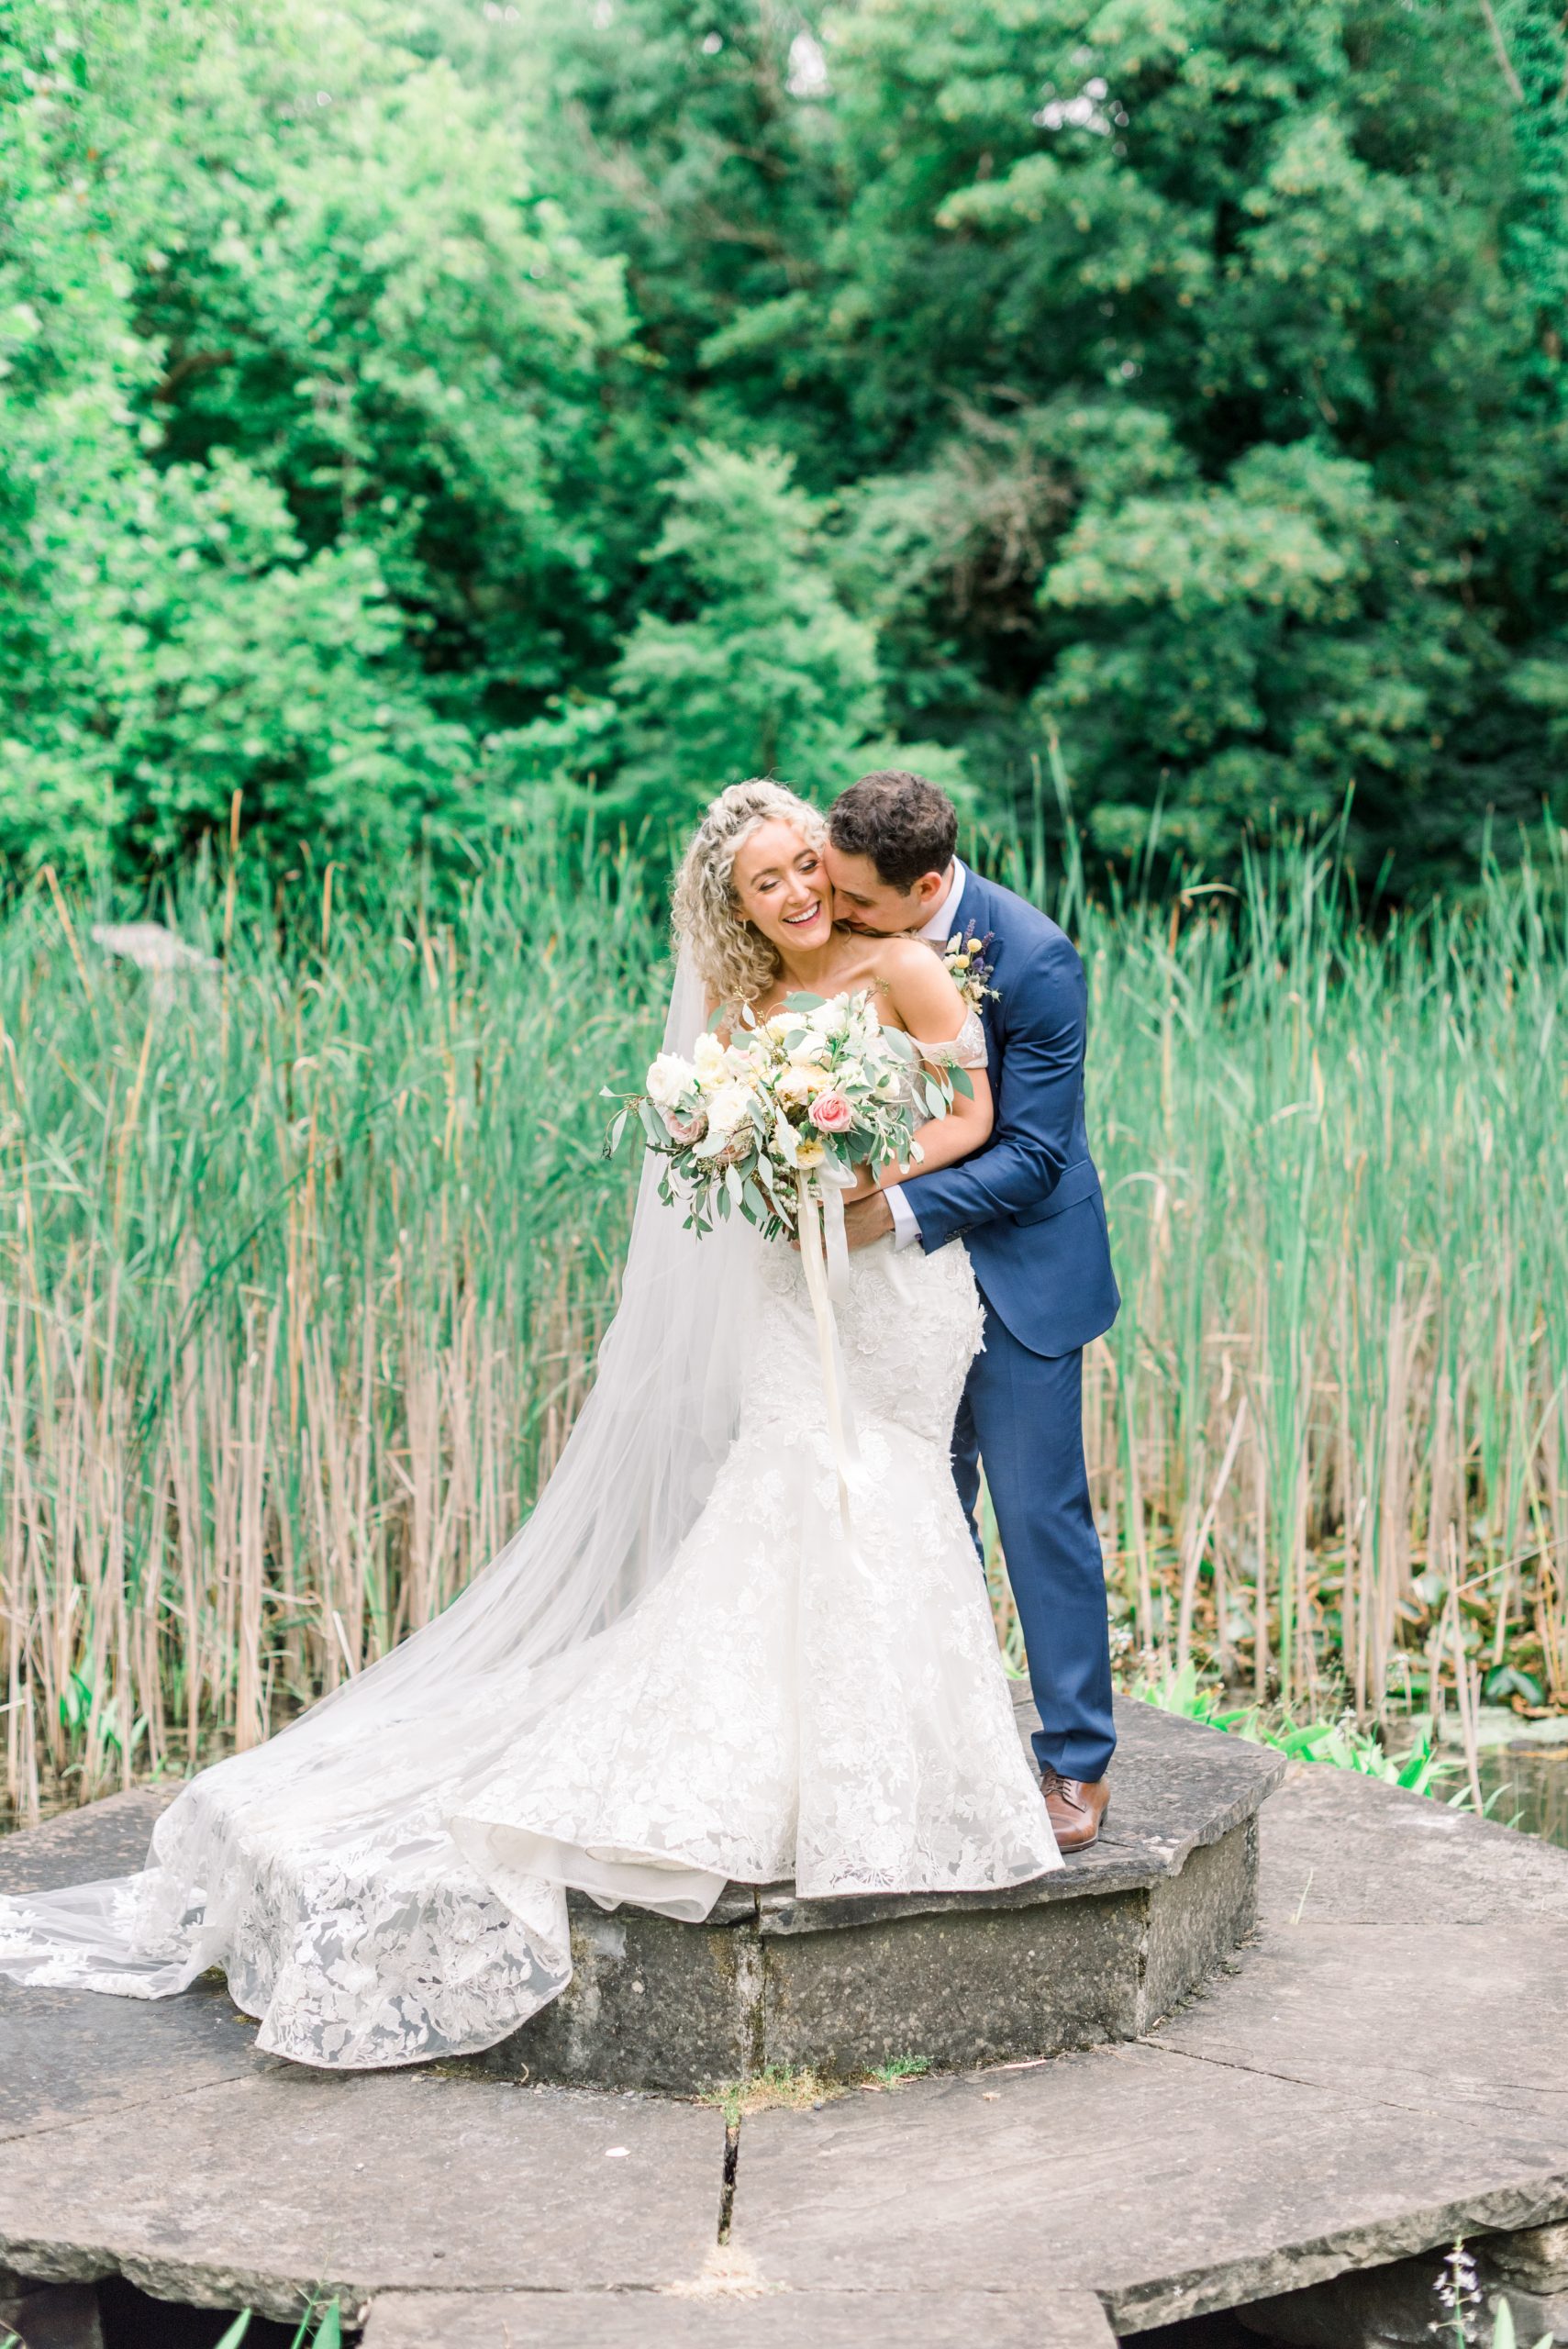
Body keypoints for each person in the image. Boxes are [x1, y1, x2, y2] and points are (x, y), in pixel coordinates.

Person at [0, 781, 1057, 2071]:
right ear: (734, 908)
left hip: (898, 1285)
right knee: (787, 1476)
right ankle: (774, 1763)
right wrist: (769, 1159)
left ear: (831, 866)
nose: (792, 895)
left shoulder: (903, 968)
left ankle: (906, 1773)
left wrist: (860, 1176)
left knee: (880, 1481)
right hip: (797, 1282)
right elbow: (717, 1154)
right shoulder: (742, 1014)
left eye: (801, 870)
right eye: (761, 885)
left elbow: (972, 1117)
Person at [821, 770, 1121, 1851]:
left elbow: (1035, 1156)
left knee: (1039, 1520)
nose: (837, 912)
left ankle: (1075, 1759)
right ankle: (929, 1746)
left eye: (857, 898)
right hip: (900, 1293)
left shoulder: (1033, 958)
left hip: (1017, 1274)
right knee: (915, 1511)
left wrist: (888, 1208)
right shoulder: (847, 935)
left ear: (928, 885)